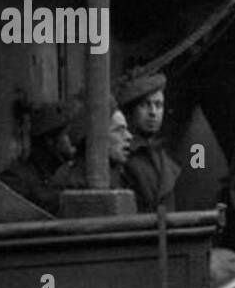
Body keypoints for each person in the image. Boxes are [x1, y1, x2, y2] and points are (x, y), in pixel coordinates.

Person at [0, 101, 76, 213]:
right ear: (49, 141)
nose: (71, 141)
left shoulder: (56, 175)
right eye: (66, 135)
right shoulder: (16, 179)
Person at [119, 73, 181, 211]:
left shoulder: (163, 155)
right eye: (145, 105)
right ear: (131, 111)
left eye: (158, 105)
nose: (153, 112)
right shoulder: (123, 156)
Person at [61, 103, 133, 194]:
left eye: (126, 129)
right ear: (96, 137)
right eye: (119, 130)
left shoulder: (120, 176)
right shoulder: (75, 184)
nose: (129, 136)